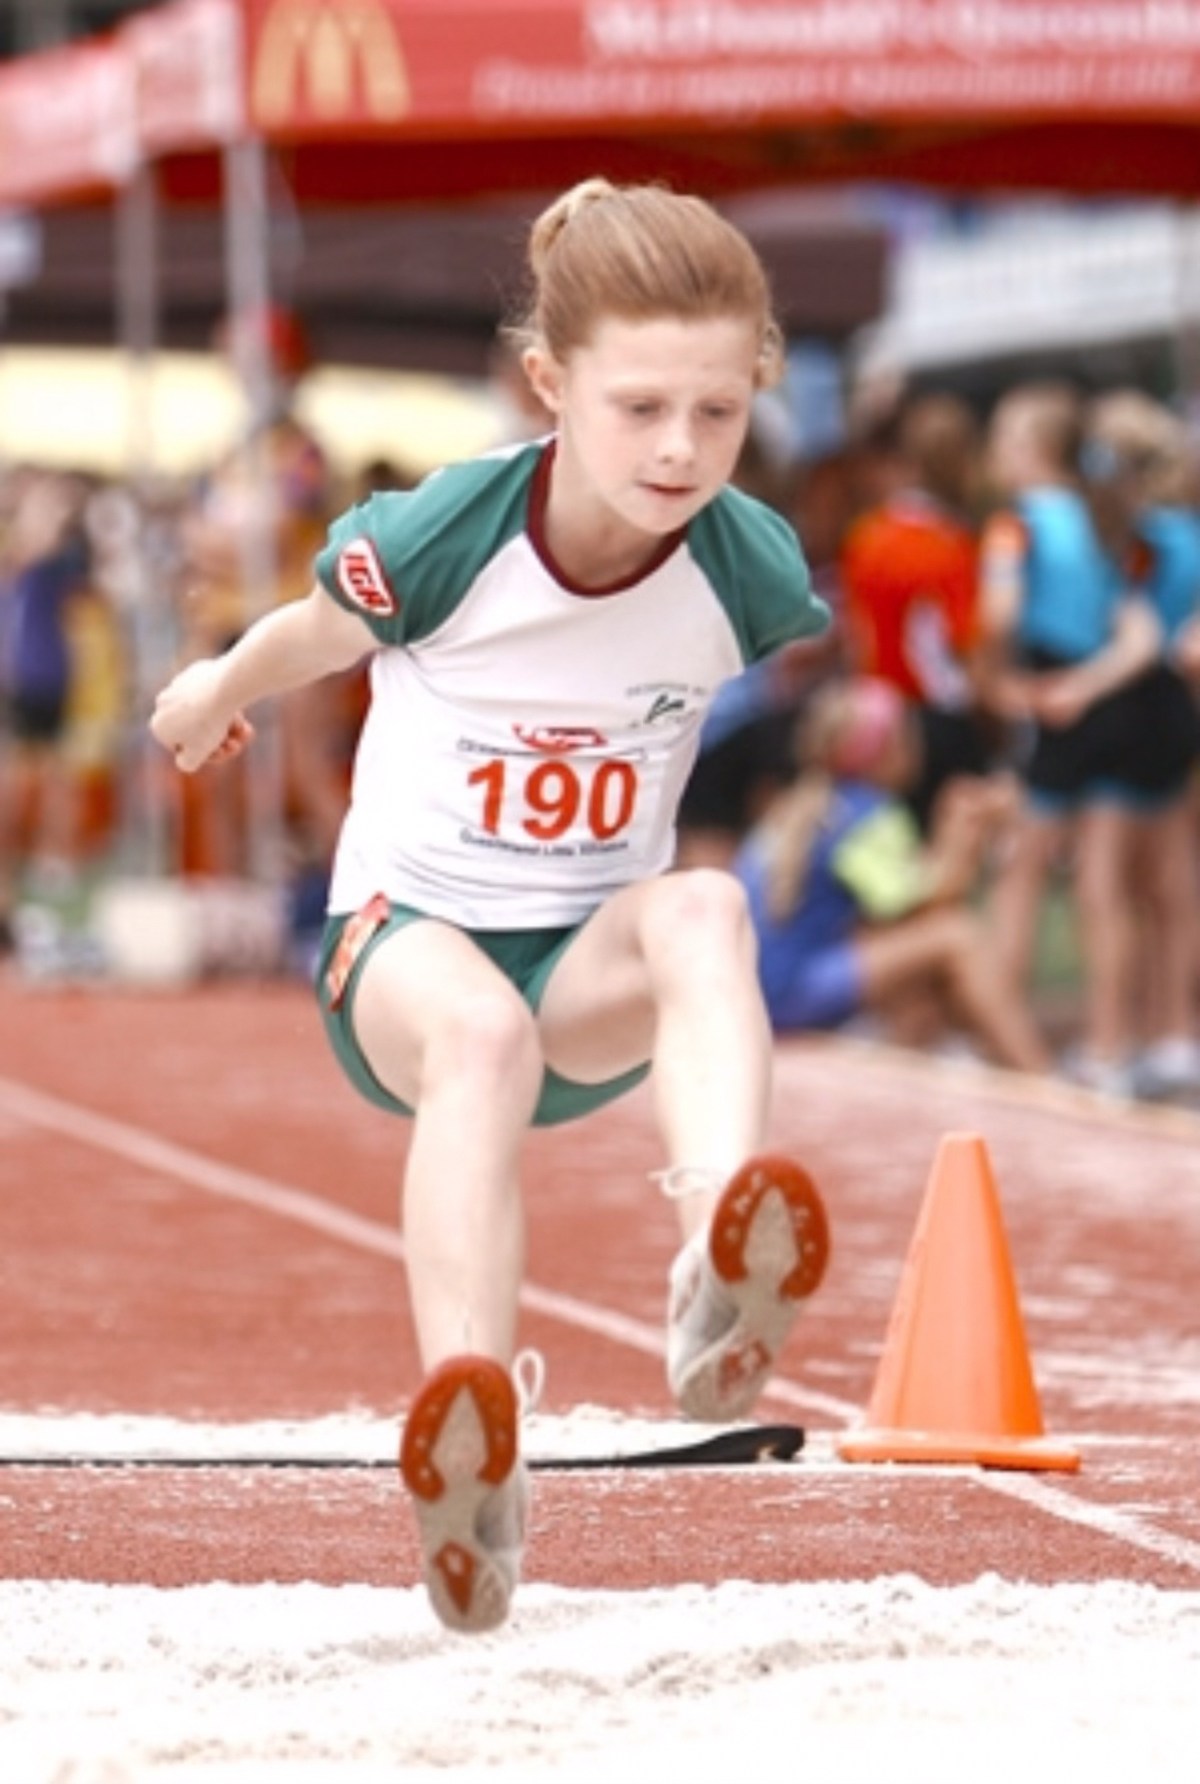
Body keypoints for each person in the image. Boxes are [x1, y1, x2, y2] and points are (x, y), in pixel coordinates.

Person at [149, 178, 833, 1635]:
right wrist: (207, 693)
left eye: (718, 414)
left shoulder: (748, 563)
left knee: (705, 908)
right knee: (480, 1038)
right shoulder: (455, 527)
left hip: (586, 970)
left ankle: (720, 1267)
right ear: (549, 384)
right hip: (404, 953)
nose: (679, 449)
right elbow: (308, 635)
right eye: (641, 407)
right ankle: (471, 1441)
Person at [976, 381, 1164, 1096]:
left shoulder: (1014, 524)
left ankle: (1004, 1037)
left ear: (1027, 449)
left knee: (1021, 877)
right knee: (1102, 886)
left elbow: (998, 614)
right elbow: (1141, 633)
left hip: (1054, 704)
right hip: (1117, 707)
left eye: (1001, 438)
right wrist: (1090, 685)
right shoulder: (1110, 518)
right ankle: (1110, 1046)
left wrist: (1005, 686)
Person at [732, 675, 1051, 1073]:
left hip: (758, 988)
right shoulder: (868, 815)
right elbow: (918, 905)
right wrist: (962, 831)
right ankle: (1036, 1073)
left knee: (917, 969)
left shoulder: (808, 804)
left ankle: (931, 1061)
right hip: (790, 994)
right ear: (888, 751)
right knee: (957, 937)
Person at [1082, 390, 1200, 1098]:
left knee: (1107, 882)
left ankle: (1108, 1040)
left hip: (1132, 707)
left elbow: (1133, 630)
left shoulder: (1143, 540)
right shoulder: (1187, 532)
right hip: (1172, 713)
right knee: (1171, 879)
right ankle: (1173, 1031)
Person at [839, 390, 996, 833]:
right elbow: (965, 647)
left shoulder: (866, 535)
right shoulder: (952, 545)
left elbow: (859, 631)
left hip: (878, 710)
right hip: (938, 712)